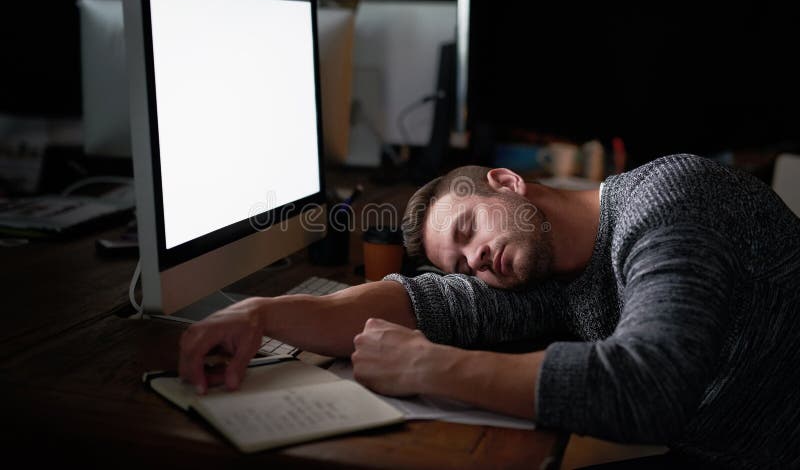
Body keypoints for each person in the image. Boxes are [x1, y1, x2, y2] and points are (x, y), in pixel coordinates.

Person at [178, 154, 800, 468]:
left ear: (507, 183)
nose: (477, 261)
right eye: (462, 261)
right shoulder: (547, 263)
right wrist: (258, 312)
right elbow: (420, 301)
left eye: (471, 228)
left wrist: (429, 368)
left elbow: (648, 386)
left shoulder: (670, 207)